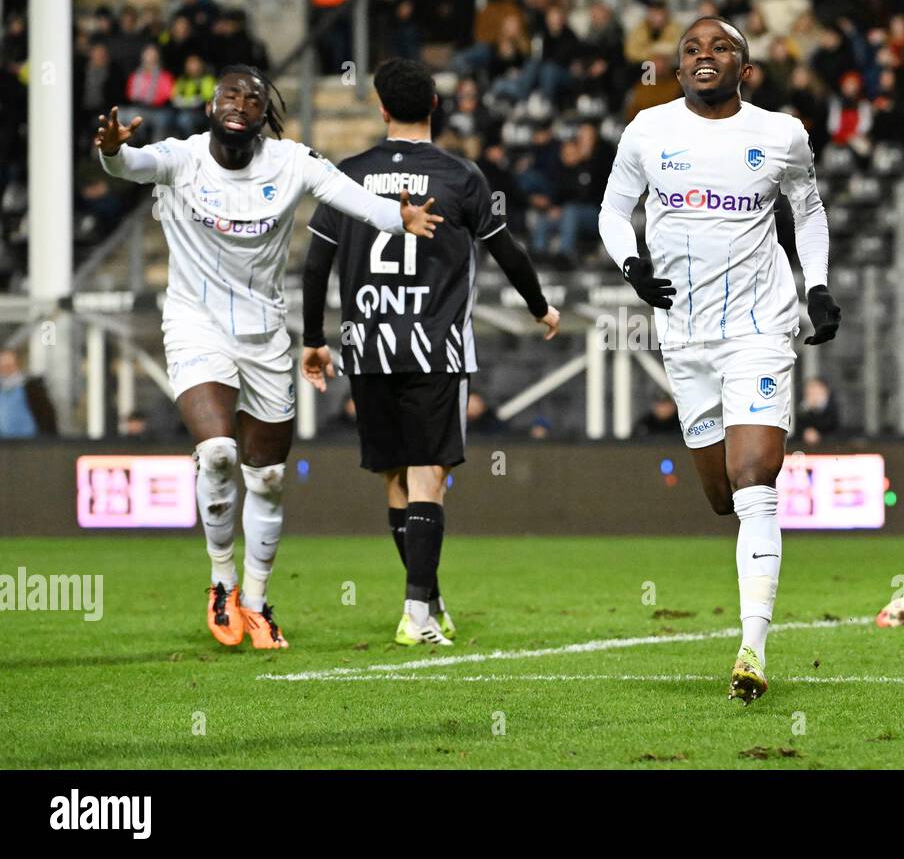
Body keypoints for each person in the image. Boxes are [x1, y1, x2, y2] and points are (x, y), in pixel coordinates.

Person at [96, 66, 441, 651]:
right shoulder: (181, 159)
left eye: (253, 98)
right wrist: (110, 153)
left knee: (271, 477)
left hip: (265, 336)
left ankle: (255, 604)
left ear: (262, 116)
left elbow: (351, 198)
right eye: (230, 93)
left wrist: (399, 218)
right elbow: (132, 165)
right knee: (218, 453)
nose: (241, 103)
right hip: (194, 325)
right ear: (210, 107)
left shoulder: (290, 162)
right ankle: (221, 583)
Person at [598, 16, 841, 704]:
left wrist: (816, 286)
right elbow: (613, 213)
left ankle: (752, 650)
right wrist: (632, 268)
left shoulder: (780, 134)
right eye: (693, 49)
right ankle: (749, 573)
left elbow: (810, 211)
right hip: (685, 335)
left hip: (760, 327)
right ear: (679, 68)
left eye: (722, 48)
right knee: (721, 497)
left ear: (746, 68)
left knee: (755, 475)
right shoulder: (648, 131)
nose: (706, 55)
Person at [300, 58, 559, 647]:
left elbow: (316, 262)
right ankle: (416, 612)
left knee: (397, 471)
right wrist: (539, 305)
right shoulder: (463, 176)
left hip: (368, 343)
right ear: (435, 106)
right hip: (435, 343)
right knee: (430, 470)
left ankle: (427, 596)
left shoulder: (348, 175)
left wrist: (315, 338)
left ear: (382, 107)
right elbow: (506, 248)